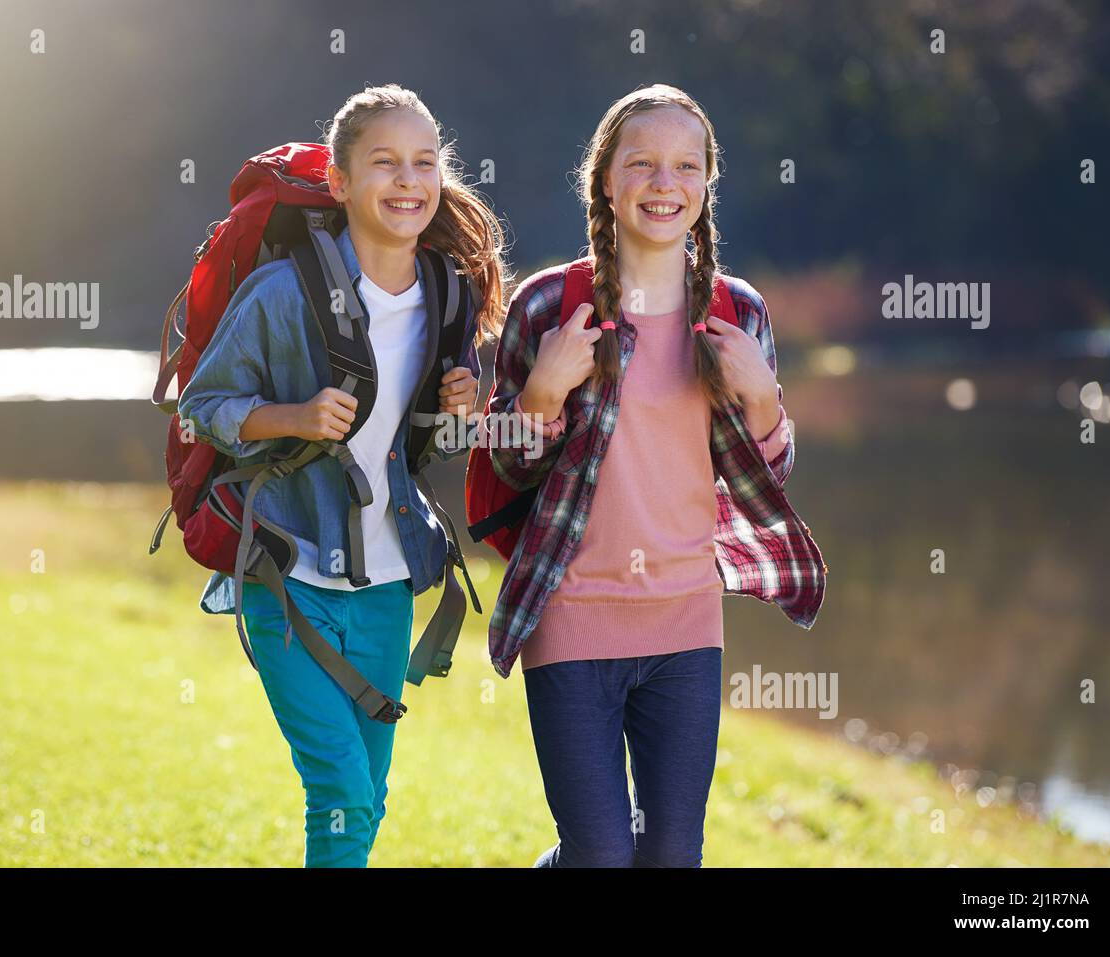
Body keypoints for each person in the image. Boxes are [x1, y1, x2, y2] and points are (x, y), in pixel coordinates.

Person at [483, 83, 826, 867]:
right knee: (599, 855)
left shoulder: (740, 314)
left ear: (707, 183)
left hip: (686, 622)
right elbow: (504, 458)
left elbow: (767, 475)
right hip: (571, 616)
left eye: (685, 166)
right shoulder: (548, 305)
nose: (663, 183)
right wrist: (541, 393)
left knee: (673, 855)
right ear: (605, 179)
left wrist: (767, 399)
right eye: (641, 163)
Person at [178, 84, 507, 867]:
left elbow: (427, 440)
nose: (408, 180)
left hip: (390, 586)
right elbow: (201, 406)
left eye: (425, 162)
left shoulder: (447, 293)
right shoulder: (281, 292)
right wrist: (291, 417)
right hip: (286, 575)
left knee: (370, 794)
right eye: (385, 163)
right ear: (339, 182)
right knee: (340, 786)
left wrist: (466, 404)